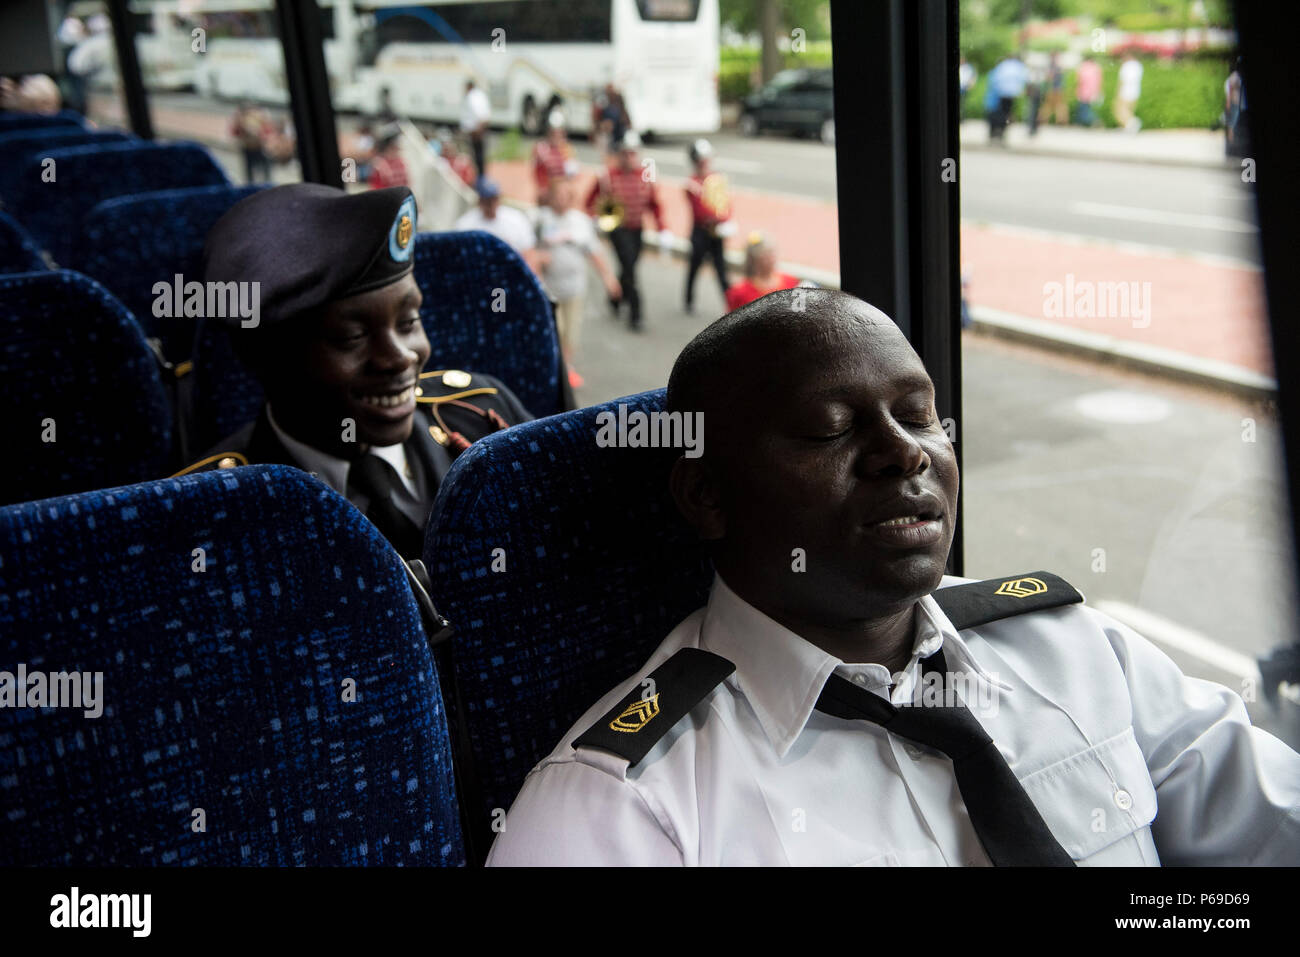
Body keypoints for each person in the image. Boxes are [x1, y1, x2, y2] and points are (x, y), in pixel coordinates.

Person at [485, 288, 1300, 866]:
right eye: (828, 429)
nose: (904, 452)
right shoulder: (627, 806)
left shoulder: (1072, 649)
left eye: (917, 416)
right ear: (707, 494)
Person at [175, 185, 533, 560]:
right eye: (352, 337)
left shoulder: (484, 416)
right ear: (265, 358)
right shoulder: (213, 514)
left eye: (408, 322)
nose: (400, 358)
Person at [535, 176, 621, 390]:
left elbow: (595, 253)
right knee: (555, 331)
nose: (561, 200)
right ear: (551, 196)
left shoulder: (580, 222)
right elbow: (529, 250)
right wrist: (538, 261)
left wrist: (609, 279)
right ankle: (555, 370)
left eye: (566, 195)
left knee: (570, 334)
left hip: (574, 289)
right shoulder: (539, 220)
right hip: (549, 290)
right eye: (557, 195)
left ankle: (565, 369)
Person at [583, 130, 667, 331]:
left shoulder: (645, 178)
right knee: (630, 267)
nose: (629, 157)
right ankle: (636, 313)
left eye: (633, 153)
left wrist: (663, 228)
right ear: (619, 154)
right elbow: (589, 202)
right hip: (617, 230)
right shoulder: (607, 177)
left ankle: (615, 298)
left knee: (627, 269)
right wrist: (594, 217)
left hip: (637, 229)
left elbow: (654, 205)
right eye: (625, 153)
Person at [683, 139, 733, 315]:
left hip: (716, 233)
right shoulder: (692, 183)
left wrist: (726, 219)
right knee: (695, 266)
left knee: (721, 269)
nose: (706, 163)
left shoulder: (716, 179)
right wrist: (717, 219)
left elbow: (725, 203)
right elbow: (700, 211)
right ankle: (688, 300)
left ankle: (731, 305)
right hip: (701, 232)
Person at [454, 177, 540, 273]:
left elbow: (530, 254)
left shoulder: (516, 219)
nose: (491, 204)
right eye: (487, 201)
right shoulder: (465, 224)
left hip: (511, 275)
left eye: (494, 199)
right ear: (480, 201)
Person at [724, 234, 798, 311]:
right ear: (754, 260)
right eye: (766, 256)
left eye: (772, 253)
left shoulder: (791, 282)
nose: (771, 259)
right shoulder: (739, 293)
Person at [532, 109, 575, 202]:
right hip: (547, 192)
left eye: (559, 132)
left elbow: (571, 174)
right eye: (553, 132)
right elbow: (538, 173)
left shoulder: (567, 149)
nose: (557, 135)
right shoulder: (540, 148)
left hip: (562, 193)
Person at [230, 101, 273, 184]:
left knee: (264, 170)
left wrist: (261, 136)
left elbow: (268, 131)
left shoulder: (260, 117)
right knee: (250, 172)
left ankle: (266, 184)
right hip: (248, 148)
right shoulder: (240, 119)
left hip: (259, 147)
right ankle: (253, 186)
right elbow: (235, 133)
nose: (250, 112)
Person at [460, 78, 491, 180]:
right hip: (480, 129)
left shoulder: (472, 97)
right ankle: (481, 176)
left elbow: (478, 114)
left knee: (476, 156)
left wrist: (478, 129)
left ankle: (479, 178)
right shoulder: (480, 95)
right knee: (480, 155)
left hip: (476, 131)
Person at [1038, 53, 1067, 127]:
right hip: (1056, 88)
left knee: (1049, 105)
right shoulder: (1058, 66)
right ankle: (1060, 120)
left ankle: (1044, 119)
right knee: (1057, 104)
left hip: (1052, 88)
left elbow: (1048, 77)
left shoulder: (1051, 66)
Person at [1116, 54, 1143, 132]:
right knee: (1129, 109)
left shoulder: (1126, 66)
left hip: (1125, 91)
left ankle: (1132, 122)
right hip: (1136, 91)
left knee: (1121, 109)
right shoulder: (1138, 65)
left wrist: (1118, 91)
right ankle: (1127, 126)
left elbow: (1122, 80)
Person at [1074, 56, 1102, 127]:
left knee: (1083, 109)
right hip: (1093, 92)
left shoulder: (1083, 67)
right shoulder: (1096, 68)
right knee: (1086, 108)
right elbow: (1099, 81)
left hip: (1084, 92)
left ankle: (1094, 121)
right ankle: (1083, 122)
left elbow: (1080, 80)